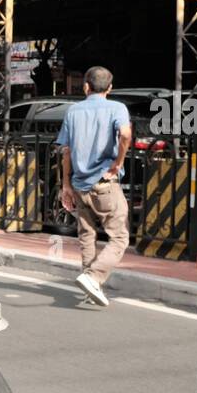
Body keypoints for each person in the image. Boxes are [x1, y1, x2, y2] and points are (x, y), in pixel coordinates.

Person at [56, 65, 132, 307]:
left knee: (87, 235)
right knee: (119, 236)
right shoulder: (117, 108)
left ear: (86, 87)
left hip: (79, 184)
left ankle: (91, 286)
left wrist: (65, 185)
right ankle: (93, 277)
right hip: (104, 183)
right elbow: (126, 135)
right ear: (110, 88)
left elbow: (66, 151)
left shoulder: (73, 111)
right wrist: (118, 162)